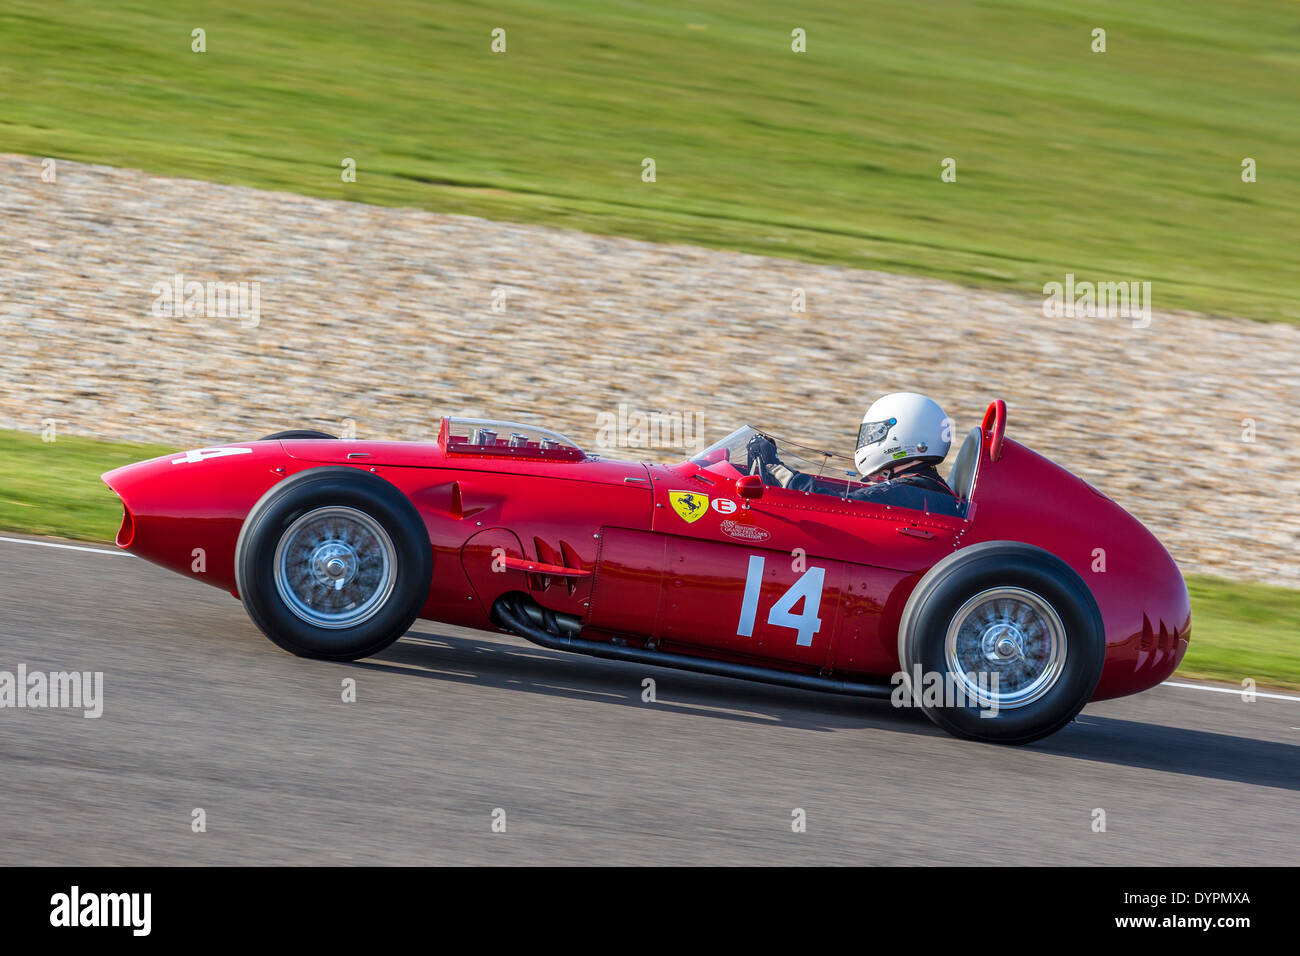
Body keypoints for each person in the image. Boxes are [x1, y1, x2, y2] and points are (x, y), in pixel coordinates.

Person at [849, 392, 955, 506]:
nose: (870, 439)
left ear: (906, 432)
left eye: (879, 432)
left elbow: (847, 503)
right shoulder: (928, 484)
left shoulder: (908, 489)